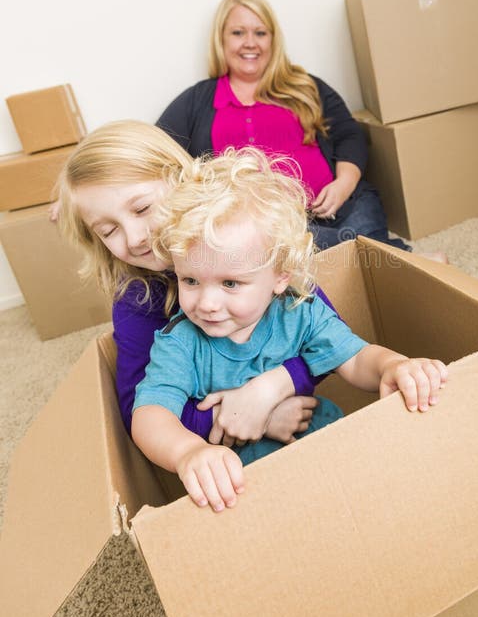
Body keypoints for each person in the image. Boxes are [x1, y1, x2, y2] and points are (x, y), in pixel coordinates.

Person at [133, 147, 448, 512]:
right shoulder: (180, 342)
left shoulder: (301, 311)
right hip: (249, 490)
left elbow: (357, 358)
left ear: (280, 277)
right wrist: (188, 451)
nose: (206, 303)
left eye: (231, 284)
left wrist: (393, 366)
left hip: (329, 446)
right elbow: (150, 415)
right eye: (190, 280)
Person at [56, 120, 340, 451]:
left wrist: (272, 389)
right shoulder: (136, 299)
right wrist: (247, 415)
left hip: (299, 407)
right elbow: (138, 410)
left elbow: (333, 334)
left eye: (143, 208)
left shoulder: (236, 230)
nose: (134, 238)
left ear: (180, 178)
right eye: (109, 231)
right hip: (223, 449)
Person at [157, 0, 441, 255]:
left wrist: (344, 183)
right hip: (270, 231)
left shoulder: (305, 86)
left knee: (364, 247)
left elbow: (348, 134)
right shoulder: (197, 101)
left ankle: (394, 261)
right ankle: (405, 261)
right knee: (346, 254)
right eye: (238, 33)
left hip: (345, 207)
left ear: (273, 40)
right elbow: (155, 152)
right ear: (221, 40)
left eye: (260, 33)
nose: (250, 42)